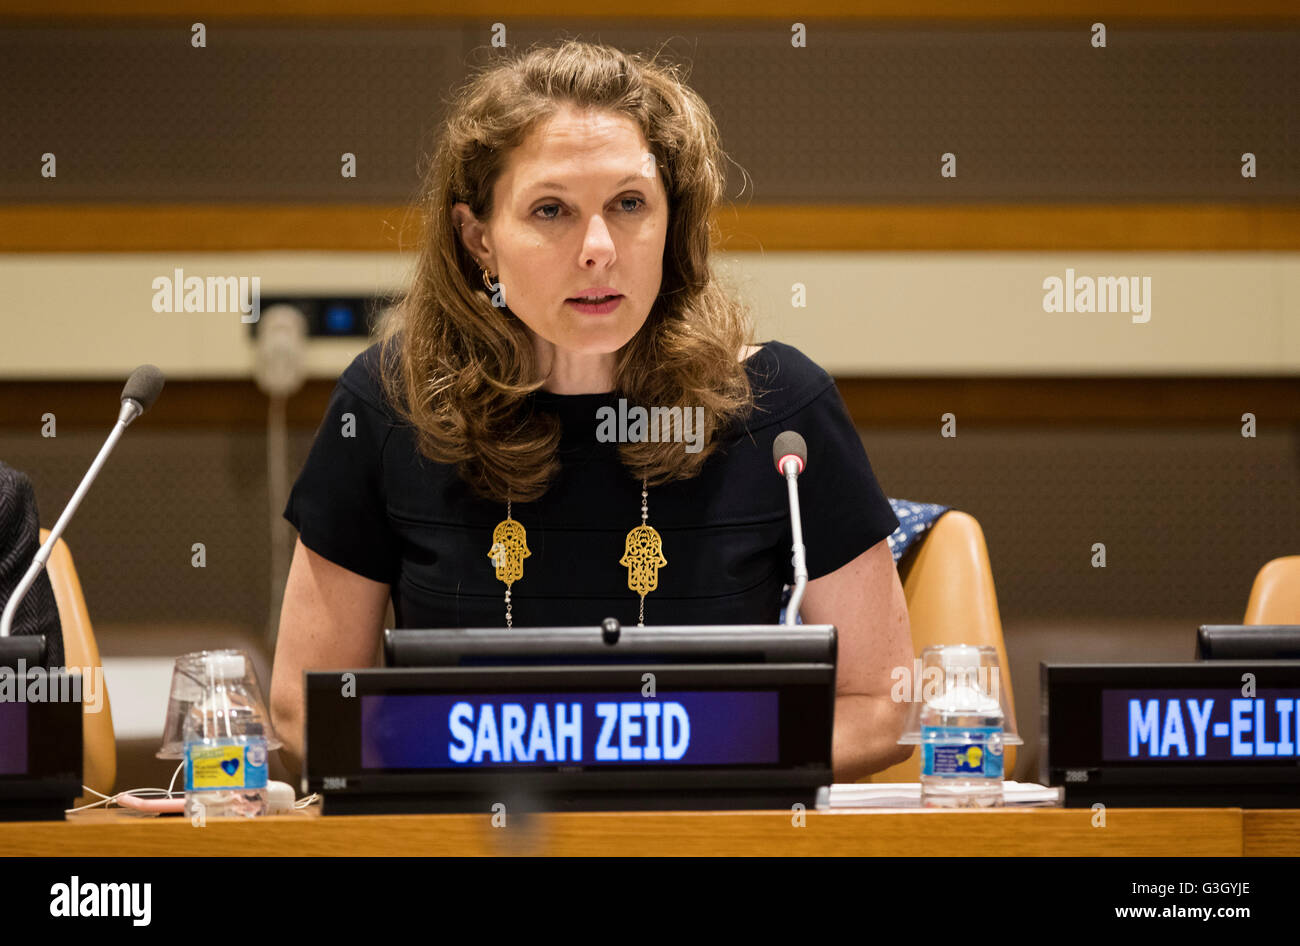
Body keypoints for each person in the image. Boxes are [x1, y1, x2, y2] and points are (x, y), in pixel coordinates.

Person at [270, 39, 913, 782]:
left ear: (673, 222)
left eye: (629, 204)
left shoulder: (778, 408)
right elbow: (303, 706)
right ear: (478, 238)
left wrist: (675, 753)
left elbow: (885, 701)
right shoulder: (387, 406)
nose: (599, 248)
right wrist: (509, 760)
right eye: (552, 210)